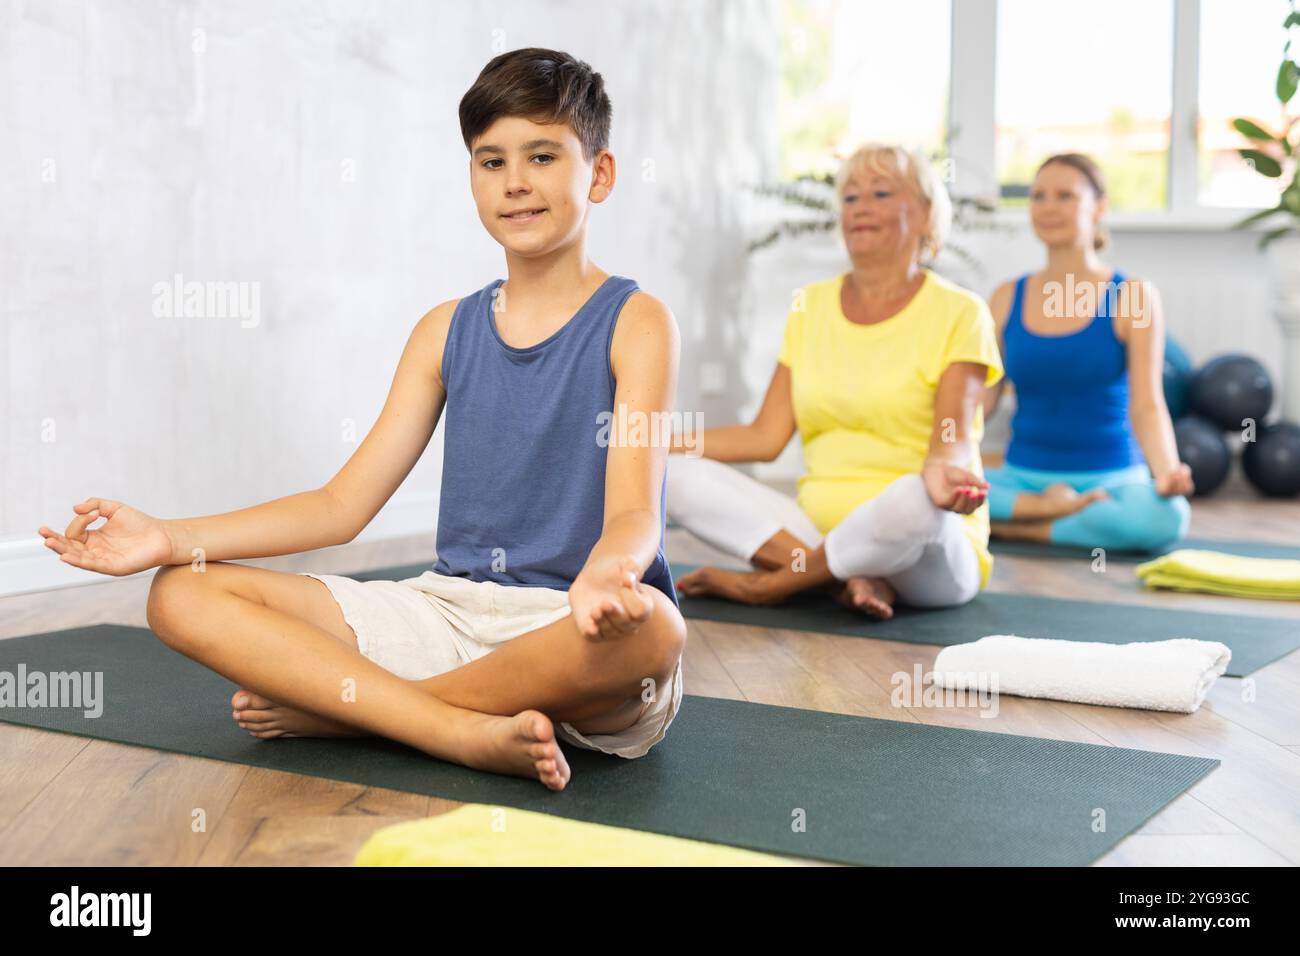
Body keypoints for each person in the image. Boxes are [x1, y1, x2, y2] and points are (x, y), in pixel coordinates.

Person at [37, 48, 686, 792]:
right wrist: (170, 538)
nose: (515, 183)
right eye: (490, 160)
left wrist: (608, 576)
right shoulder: (444, 330)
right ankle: (453, 729)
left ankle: (353, 715)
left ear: (598, 173)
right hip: (448, 616)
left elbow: (635, 511)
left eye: (542, 156)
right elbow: (340, 507)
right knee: (179, 592)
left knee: (657, 630)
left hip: (575, 632)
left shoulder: (637, 321)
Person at [667, 144, 1003, 620]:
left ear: (928, 214)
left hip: (924, 549)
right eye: (850, 198)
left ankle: (773, 587)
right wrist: (657, 443)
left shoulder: (961, 312)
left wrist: (941, 475)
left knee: (914, 499)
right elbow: (764, 437)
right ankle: (844, 579)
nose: (861, 206)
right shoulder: (811, 305)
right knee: (670, 472)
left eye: (882, 193)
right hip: (815, 535)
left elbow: (952, 437)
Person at [983, 153, 1192, 551]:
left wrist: (1167, 472)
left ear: (1099, 207)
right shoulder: (1006, 296)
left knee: (1167, 517)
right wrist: (946, 455)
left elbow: (1147, 405)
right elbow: (985, 399)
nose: (1048, 208)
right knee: (932, 492)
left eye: (1065, 196)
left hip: (1111, 480)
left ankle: (1018, 526)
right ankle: (1054, 512)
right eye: (1038, 196)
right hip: (1019, 477)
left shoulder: (1132, 294)